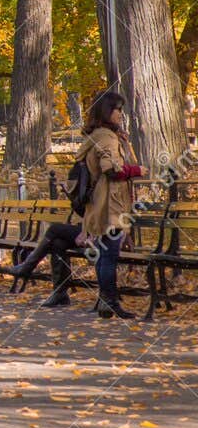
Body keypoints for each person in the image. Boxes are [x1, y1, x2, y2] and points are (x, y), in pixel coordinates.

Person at [77, 91, 143, 318]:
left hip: (99, 203)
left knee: (104, 253)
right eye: (118, 110)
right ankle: (110, 301)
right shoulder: (107, 138)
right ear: (107, 111)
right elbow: (111, 169)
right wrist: (137, 170)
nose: (121, 114)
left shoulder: (97, 136)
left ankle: (105, 301)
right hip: (110, 204)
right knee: (109, 255)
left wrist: (123, 142)